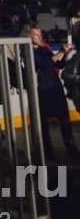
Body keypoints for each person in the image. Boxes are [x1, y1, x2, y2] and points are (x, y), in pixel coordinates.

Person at [27, 25, 79, 159]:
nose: (40, 37)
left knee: (64, 117)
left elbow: (57, 65)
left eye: (40, 34)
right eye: (36, 35)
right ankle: (47, 149)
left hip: (54, 84)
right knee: (43, 119)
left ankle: (70, 146)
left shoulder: (44, 49)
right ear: (28, 36)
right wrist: (61, 51)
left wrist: (66, 54)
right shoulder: (27, 51)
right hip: (41, 87)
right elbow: (45, 64)